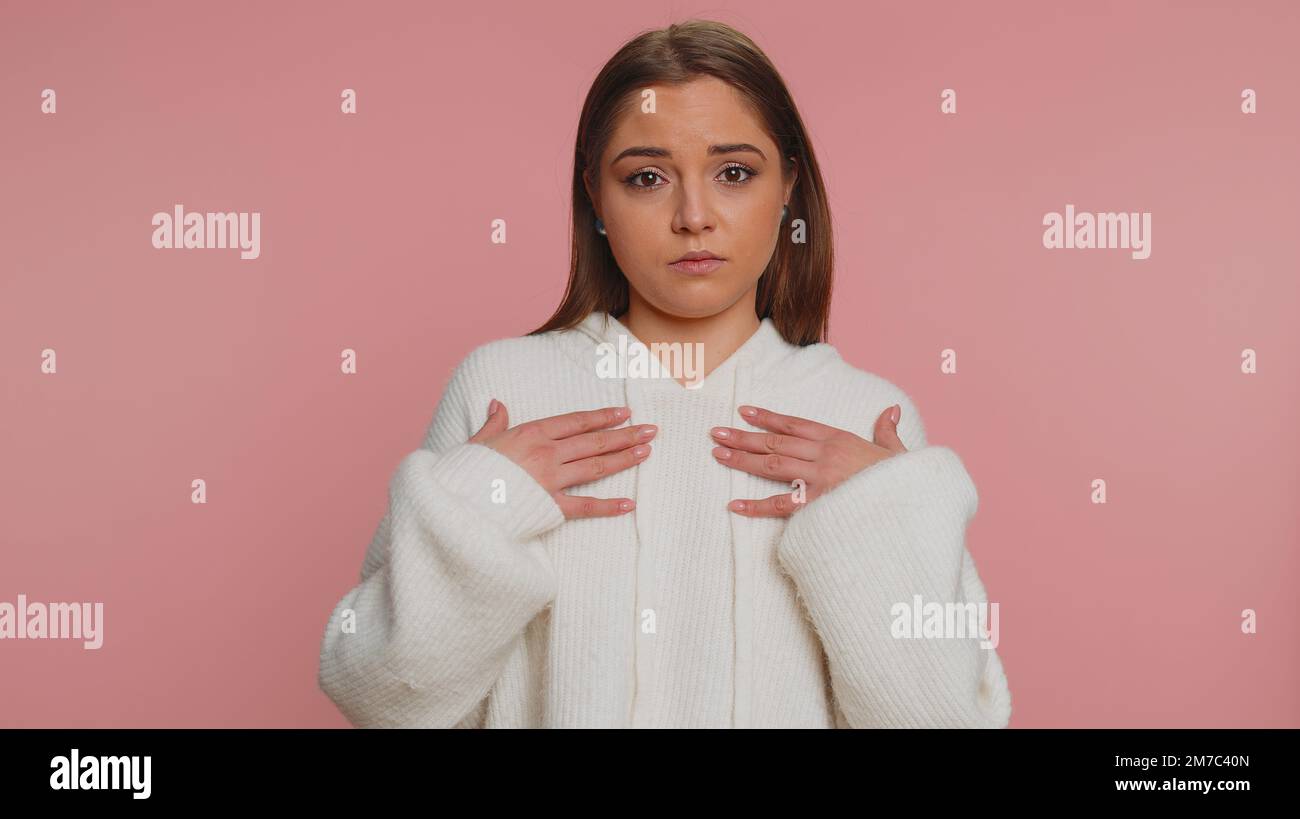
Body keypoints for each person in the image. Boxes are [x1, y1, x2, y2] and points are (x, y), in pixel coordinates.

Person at [317, 19, 1011, 729]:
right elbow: (377, 694)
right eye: (646, 178)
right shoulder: (502, 388)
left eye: (734, 173)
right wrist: (484, 506)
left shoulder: (861, 414)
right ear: (596, 196)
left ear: (788, 188)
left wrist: (879, 524)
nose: (694, 216)